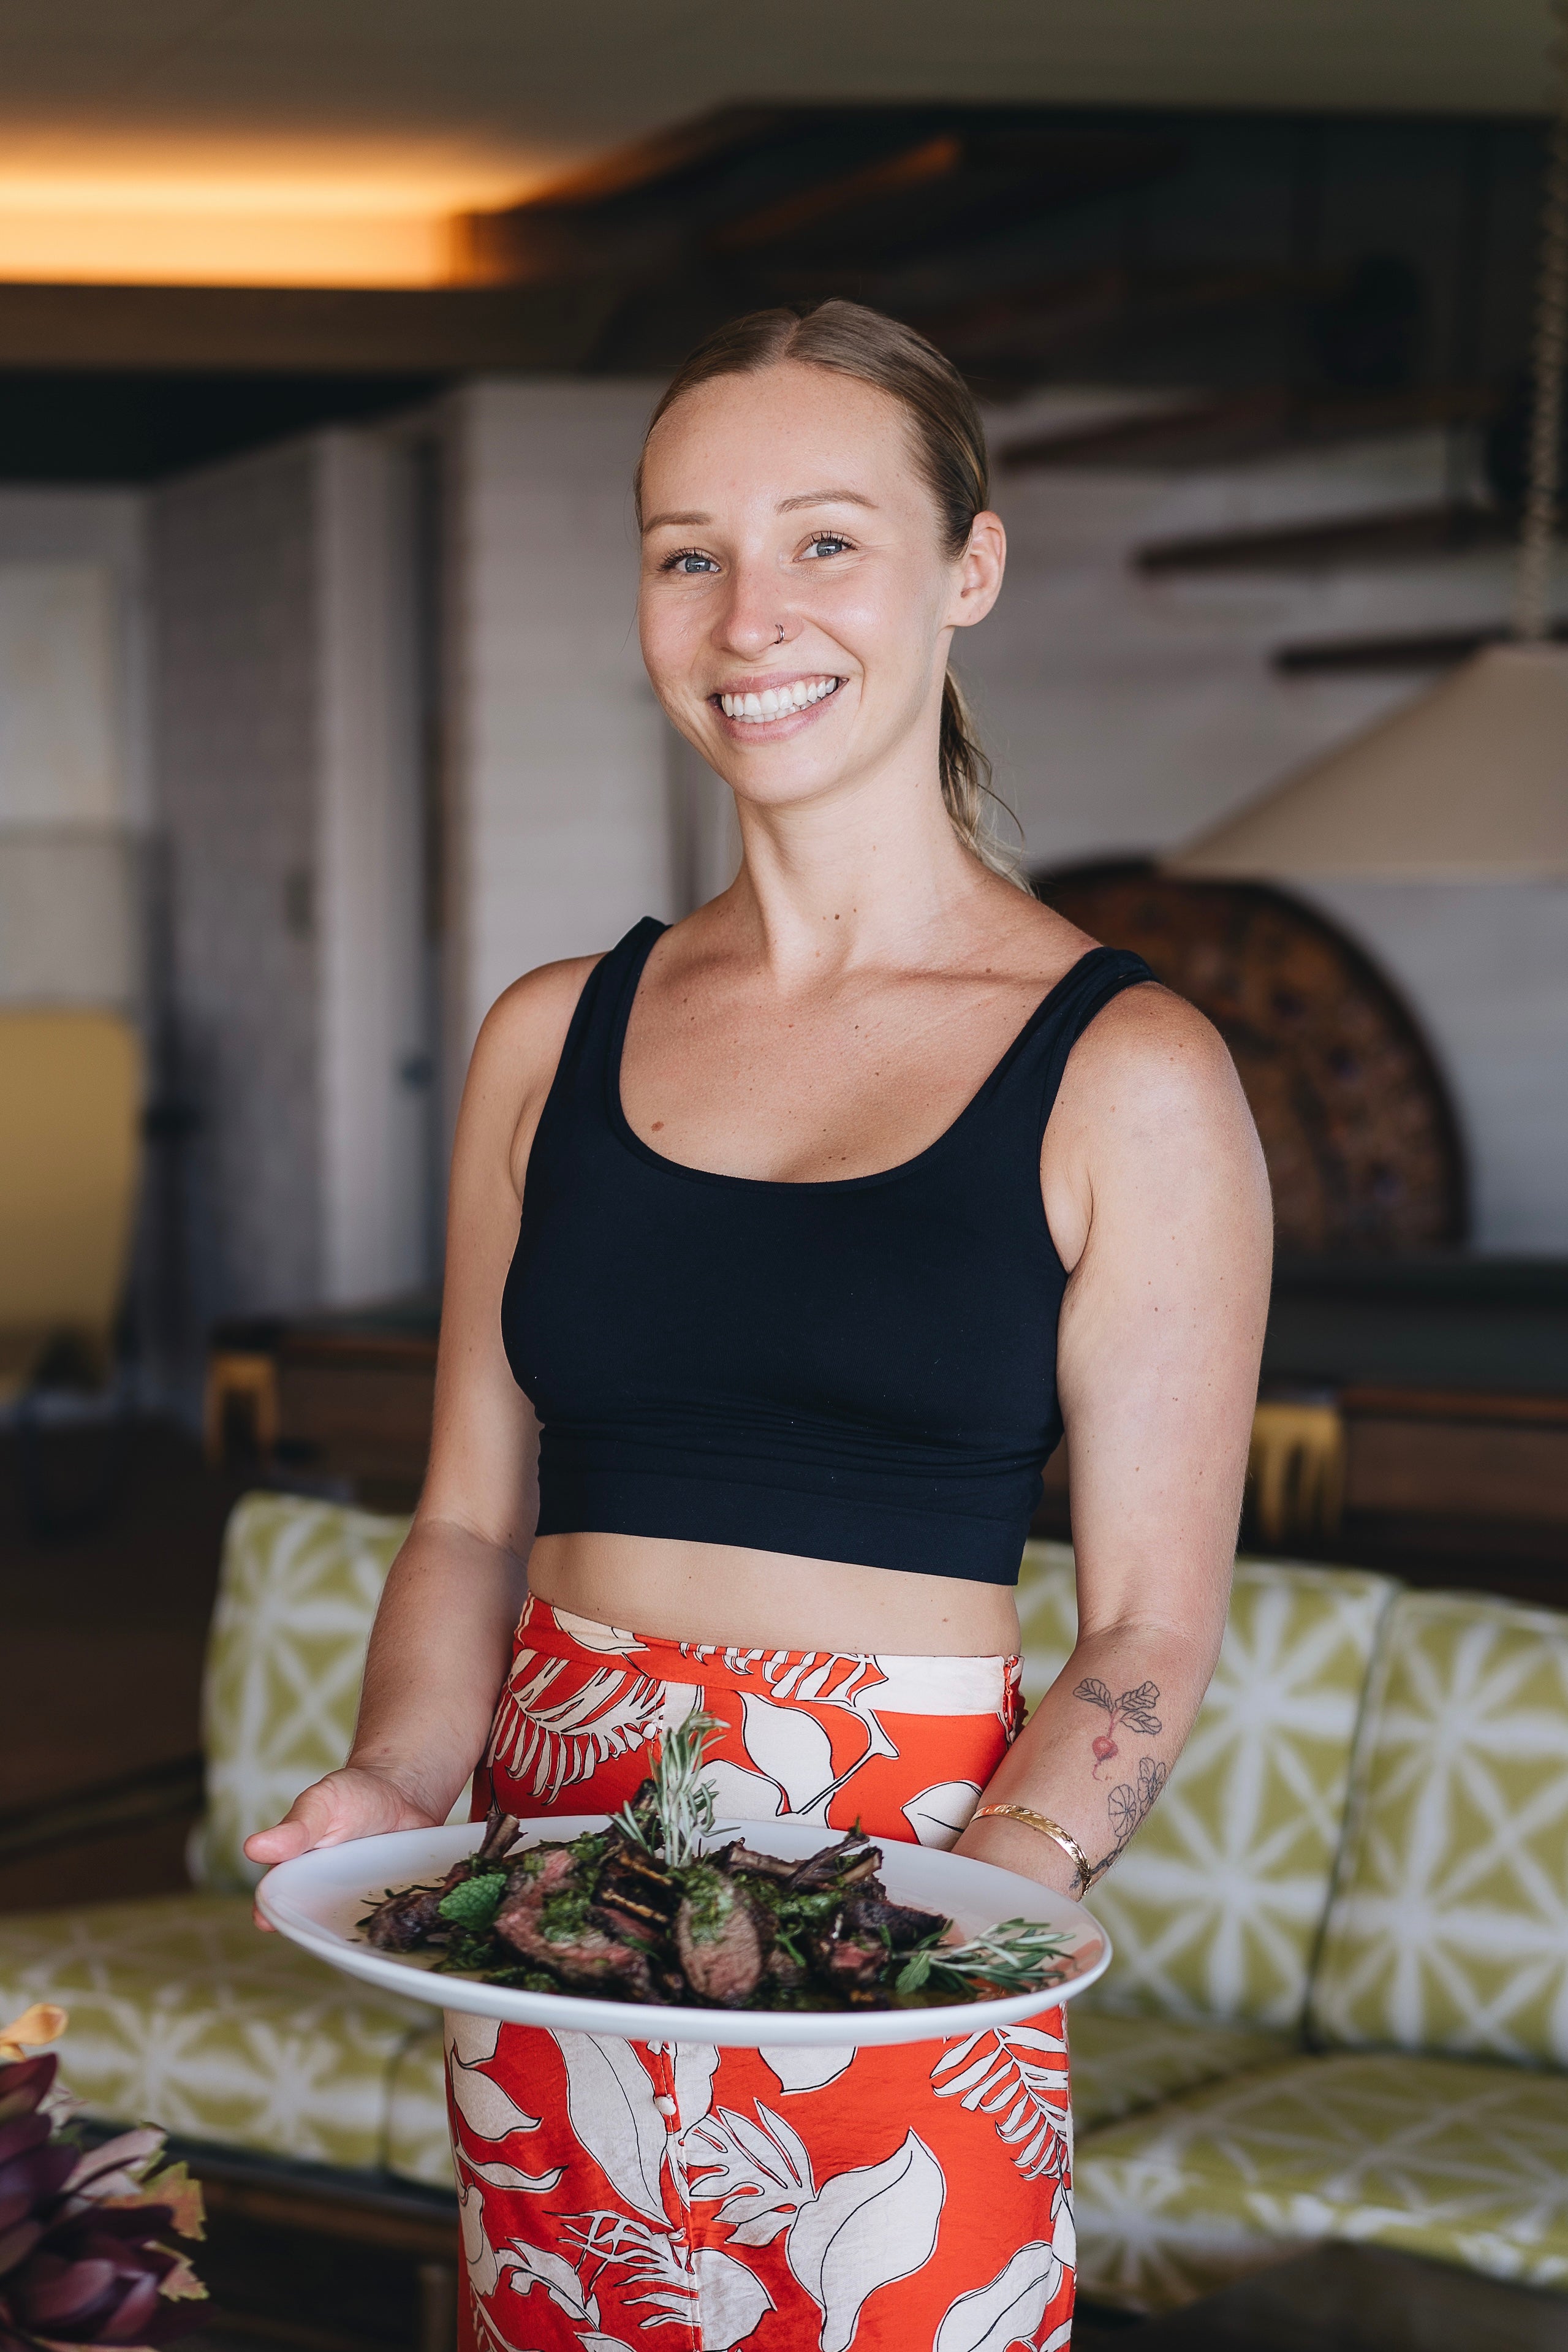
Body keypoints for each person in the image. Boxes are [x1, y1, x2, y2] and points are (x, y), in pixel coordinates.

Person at [248, 300, 1271, 2351]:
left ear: (966, 569)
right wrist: (392, 1776)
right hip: (547, 1881)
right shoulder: (552, 1035)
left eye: (826, 541)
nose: (749, 616)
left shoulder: (1129, 1071)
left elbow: (1153, 1628)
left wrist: (984, 1903)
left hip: (914, 1887)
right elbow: (465, 1520)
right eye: (686, 551)